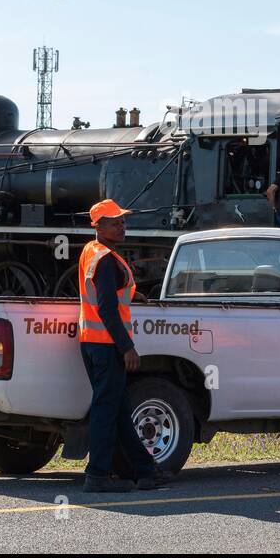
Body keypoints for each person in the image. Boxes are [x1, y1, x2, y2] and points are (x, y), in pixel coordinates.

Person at [77, 198, 171, 493]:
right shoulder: (105, 259)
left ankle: (145, 471)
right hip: (107, 346)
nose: (122, 225)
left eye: (122, 221)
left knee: (118, 409)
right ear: (99, 226)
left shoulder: (92, 252)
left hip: (93, 344)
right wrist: (126, 346)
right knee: (107, 410)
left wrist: (133, 295)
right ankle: (97, 476)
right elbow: (106, 308)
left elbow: (109, 296)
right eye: (115, 222)